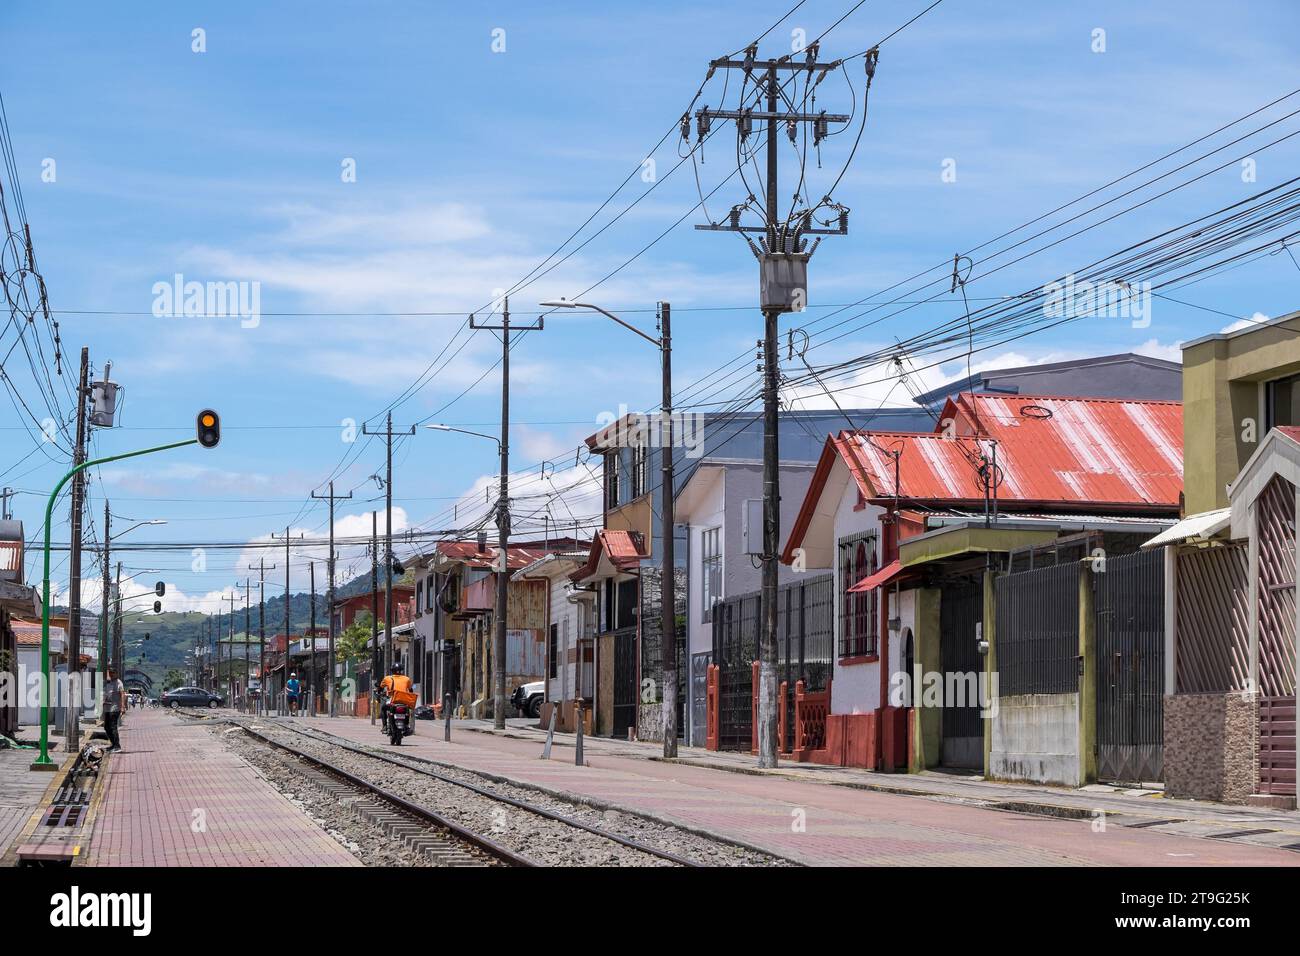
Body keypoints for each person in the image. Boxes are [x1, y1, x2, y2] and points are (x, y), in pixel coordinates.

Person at [379, 662, 417, 733]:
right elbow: (410, 690)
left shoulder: (387, 678)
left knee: (383, 708)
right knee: (407, 711)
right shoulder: (407, 679)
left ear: (392, 670)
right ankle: (406, 726)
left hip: (392, 700)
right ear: (401, 670)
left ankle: (384, 726)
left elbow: (380, 688)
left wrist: (379, 692)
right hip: (404, 701)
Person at [103, 667, 124, 752]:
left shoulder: (119, 683)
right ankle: (113, 744)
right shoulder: (109, 682)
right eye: (110, 672)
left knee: (113, 726)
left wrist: (122, 707)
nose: (111, 674)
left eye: (113, 672)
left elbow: (122, 694)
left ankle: (117, 746)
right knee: (106, 727)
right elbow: (106, 693)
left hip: (115, 708)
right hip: (107, 707)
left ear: (116, 673)